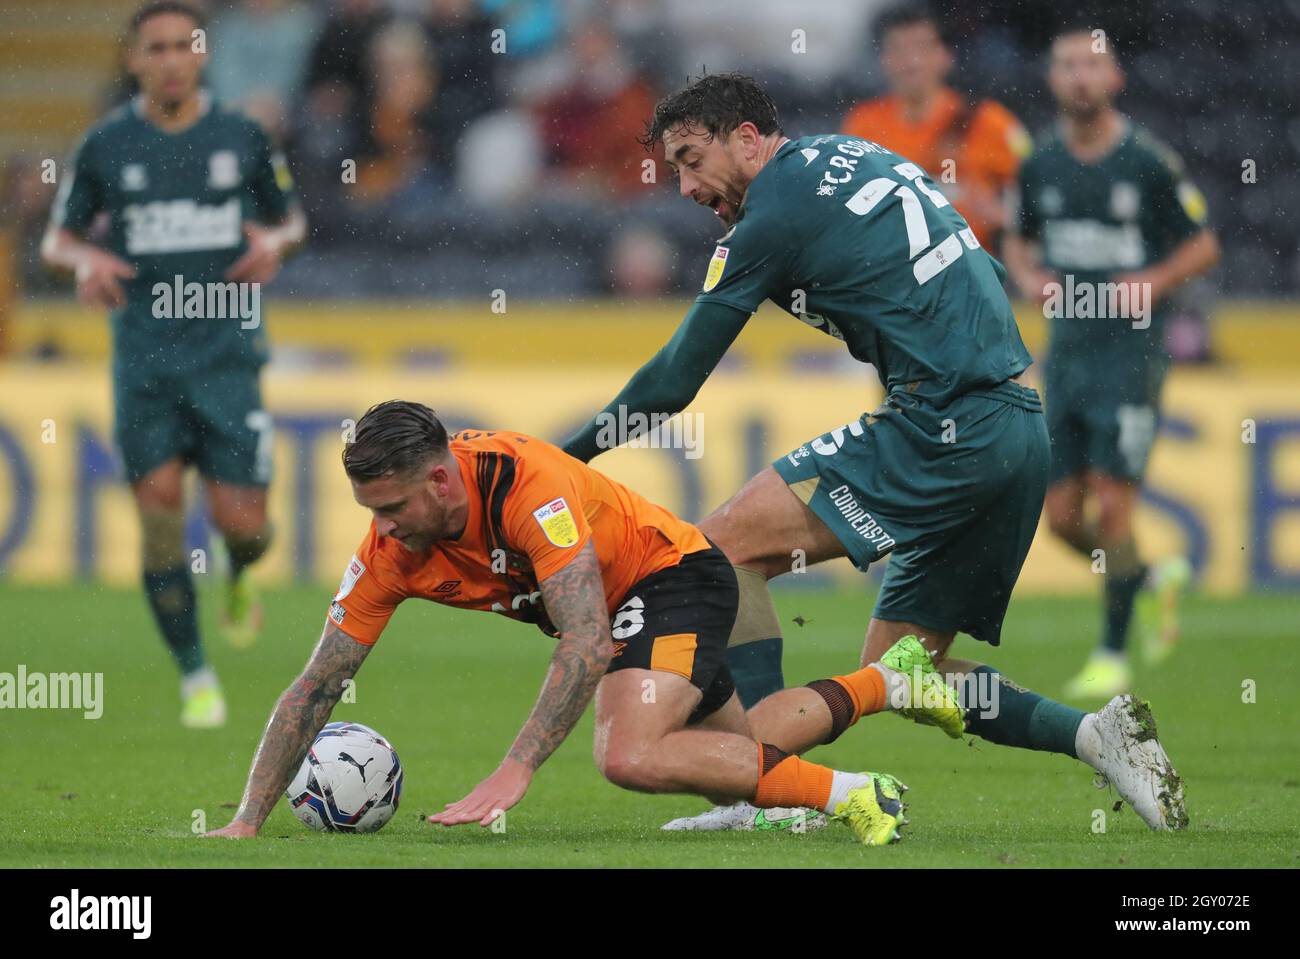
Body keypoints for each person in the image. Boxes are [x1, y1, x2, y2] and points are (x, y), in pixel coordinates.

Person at [561, 72, 1187, 832]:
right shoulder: (856, 153)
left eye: (693, 159)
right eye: (676, 170)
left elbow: (674, 377)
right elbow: (983, 267)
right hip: (1019, 426)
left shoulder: (772, 213)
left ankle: (763, 788)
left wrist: (568, 457)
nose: (687, 187)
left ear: (750, 140)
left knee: (723, 545)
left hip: (942, 421)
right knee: (903, 671)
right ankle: (1096, 735)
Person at [206, 400, 973, 845]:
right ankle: (885, 680)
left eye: (393, 507)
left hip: (672, 574)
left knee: (630, 754)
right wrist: (246, 821)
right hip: (629, 606)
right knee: (747, 752)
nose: (383, 527)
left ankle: (858, 794)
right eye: (371, 512)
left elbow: (586, 636)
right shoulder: (391, 553)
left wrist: (518, 765)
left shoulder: (524, 485)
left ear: (440, 479)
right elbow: (318, 684)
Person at [41, 1, 306, 727]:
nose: (168, 59)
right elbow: (57, 242)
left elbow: (291, 218)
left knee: (243, 523)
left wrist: (275, 244)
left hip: (227, 358)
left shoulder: (243, 136)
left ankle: (241, 571)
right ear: (133, 60)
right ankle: (196, 673)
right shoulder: (106, 145)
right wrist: (86, 256)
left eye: (181, 45)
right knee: (159, 517)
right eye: (153, 48)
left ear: (201, 55)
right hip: (146, 365)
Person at [1002, 27, 1219, 701]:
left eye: (1093, 64)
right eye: (1068, 64)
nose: (1081, 77)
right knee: (1062, 515)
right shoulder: (1038, 164)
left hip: (1131, 356)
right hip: (1065, 355)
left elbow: (1203, 244)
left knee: (1115, 506)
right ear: (1053, 79)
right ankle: (1148, 579)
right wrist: (1028, 275)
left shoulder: (1147, 162)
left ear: (1115, 77)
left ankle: (1112, 654)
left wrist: (1152, 281)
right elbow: (1017, 238)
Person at [842, 3, 1031, 249]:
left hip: (971, 271)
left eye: (921, 47)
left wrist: (1003, 217)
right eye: (898, 49)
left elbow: (1036, 190)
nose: (911, 62)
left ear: (946, 55)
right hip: (890, 270)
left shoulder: (990, 122)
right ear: (883, 59)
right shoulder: (862, 125)